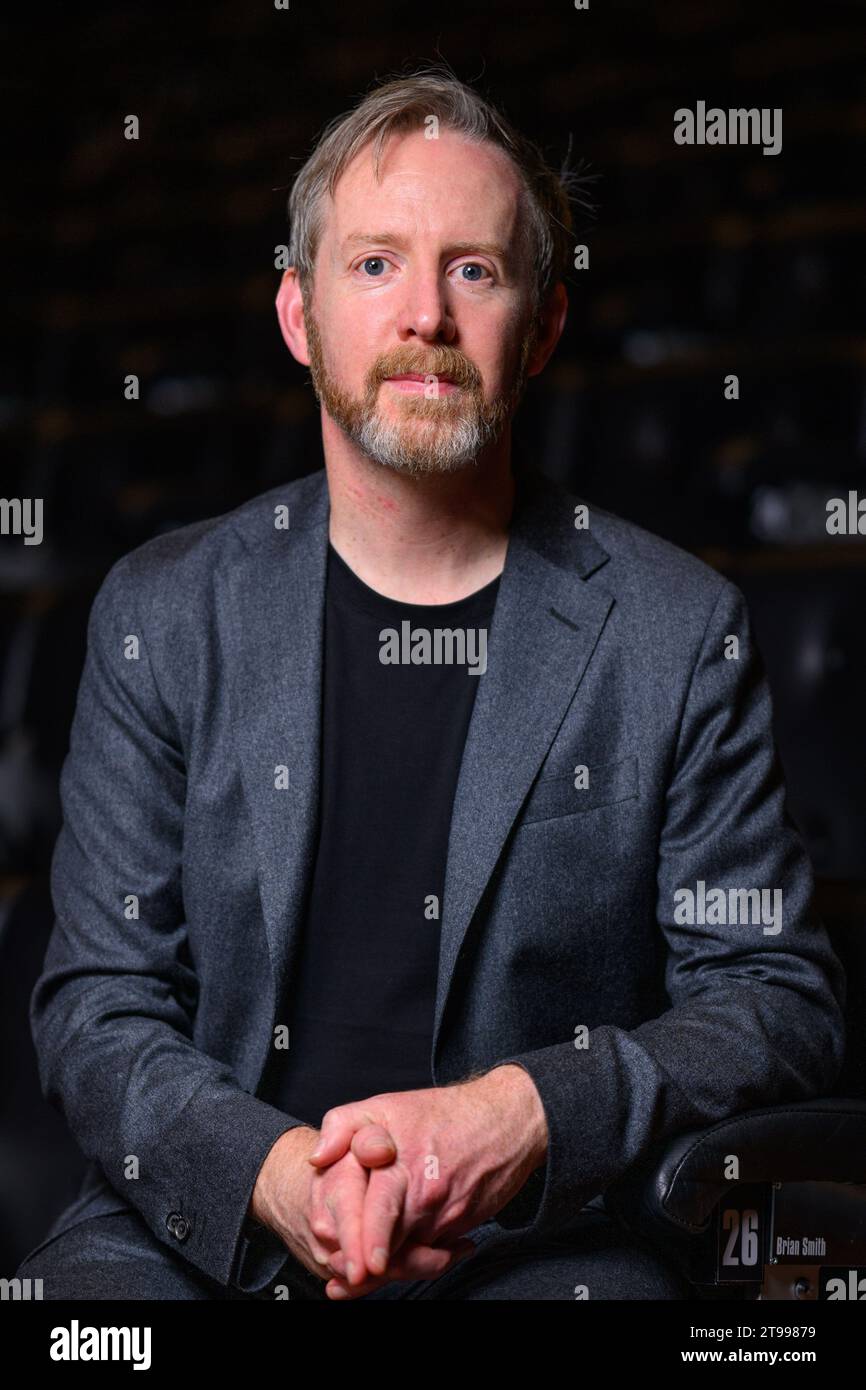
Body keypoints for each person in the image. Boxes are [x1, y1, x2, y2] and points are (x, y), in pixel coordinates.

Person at [16, 65, 845, 1301]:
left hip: (540, 1246)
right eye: (373, 265)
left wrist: (520, 1115)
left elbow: (774, 1000)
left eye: (473, 268)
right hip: (196, 1235)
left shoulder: (674, 631)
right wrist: (277, 1173)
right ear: (297, 317)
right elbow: (98, 1001)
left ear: (543, 324)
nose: (423, 316)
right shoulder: (161, 612)